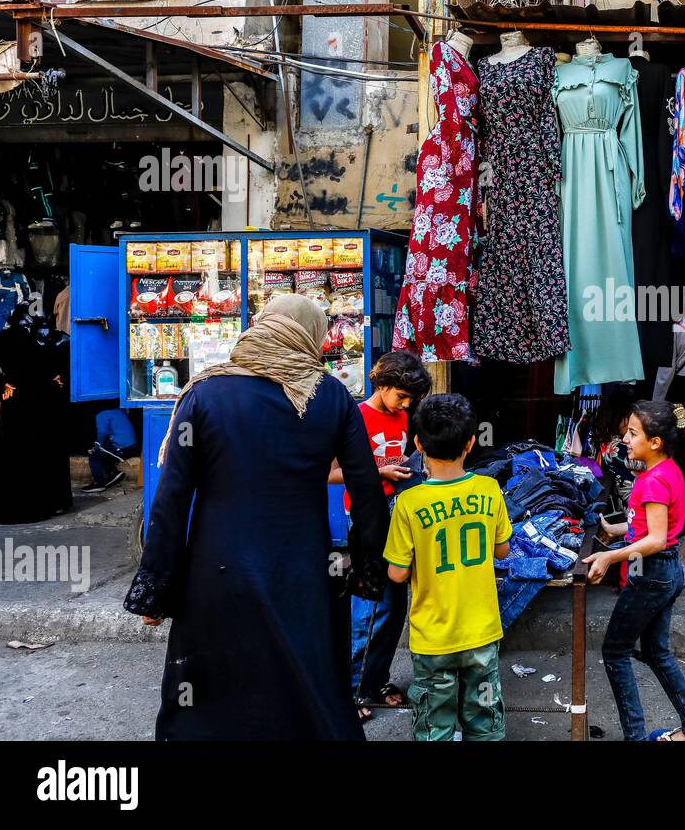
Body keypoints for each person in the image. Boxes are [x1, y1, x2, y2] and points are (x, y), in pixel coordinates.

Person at [123, 294, 391, 740]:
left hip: (217, 570)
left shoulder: (205, 393)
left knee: (214, 692)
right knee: (309, 682)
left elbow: (171, 502)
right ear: (312, 335)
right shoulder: (331, 397)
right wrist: (367, 573)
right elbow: (367, 494)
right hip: (304, 568)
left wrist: (158, 588)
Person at [384, 393, 512, 741]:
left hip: (433, 639)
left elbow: (396, 574)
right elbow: (502, 551)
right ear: (471, 443)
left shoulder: (407, 503)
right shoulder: (490, 489)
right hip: (481, 634)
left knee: (434, 727)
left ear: (417, 444)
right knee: (484, 722)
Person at [584, 400, 685, 741]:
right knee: (657, 652)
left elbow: (655, 539)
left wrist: (611, 557)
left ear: (654, 442)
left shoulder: (652, 481)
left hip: (652, 573)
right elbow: (654, 528)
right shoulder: (668, 469)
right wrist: (615, 532)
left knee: (615, 652)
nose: (625, 438)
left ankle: (636, 737)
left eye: (632, 432)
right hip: (667, 572)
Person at [329, 350, 432, 720]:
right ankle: (354, 689)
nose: (405, 404)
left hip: (397, 515)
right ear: (383, 384)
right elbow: (329, 472)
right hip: (368, 518)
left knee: (394, 606)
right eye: (401, 396)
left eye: (409, 399)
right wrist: (381, 471)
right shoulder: (355, 417)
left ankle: (376, 680)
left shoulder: (403, 416)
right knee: (369, 603)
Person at [0, 302, 70, 523]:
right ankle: (41, 503)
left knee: (17, 454)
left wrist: (2, 384)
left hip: (20, 405)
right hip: (36, 405)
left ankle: (17, 503)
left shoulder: (9, 339)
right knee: (35, 453)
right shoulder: (40, 342)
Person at [82, 408, 138, 494]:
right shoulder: (119, 412)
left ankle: (99, 484)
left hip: (124, 449)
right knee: (104, 453)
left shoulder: (101, 415)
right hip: (132, 447)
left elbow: (102, 433)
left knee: (94, 457)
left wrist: (96, 447)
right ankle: (113, 473)